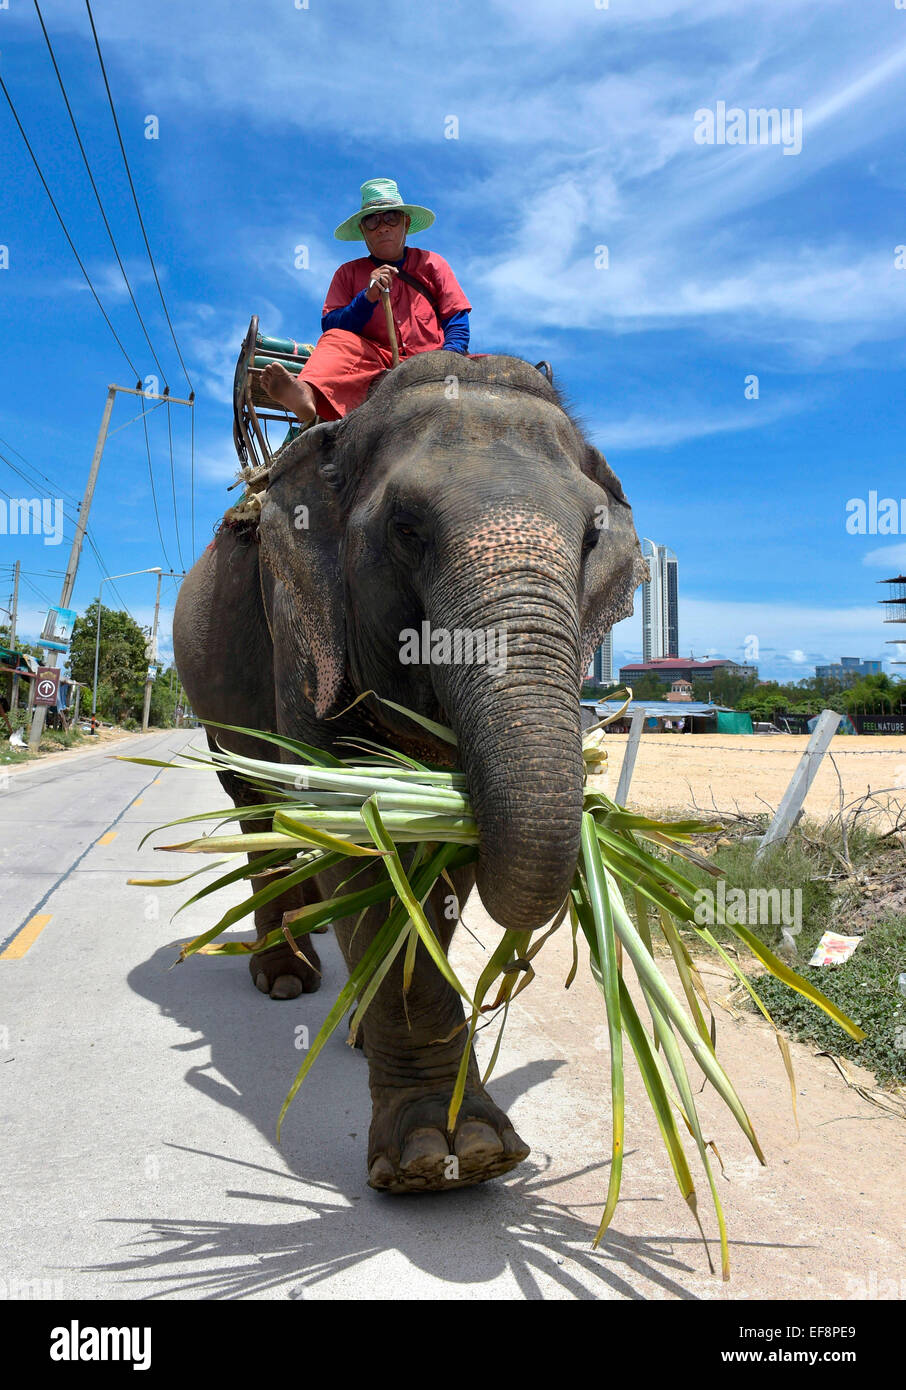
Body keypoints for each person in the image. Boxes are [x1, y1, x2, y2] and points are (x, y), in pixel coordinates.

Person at [261, 178, 471, 425]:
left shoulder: (432, 264)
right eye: (372, 221)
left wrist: (447, 359)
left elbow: (456, 320)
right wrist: (367, 297)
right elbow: (332, 327)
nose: (382, 227)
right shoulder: (347, 273)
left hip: (432, 356)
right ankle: (307, 393)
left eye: (391, 217)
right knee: (335, 341)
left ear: (406, 222)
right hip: (372, 361)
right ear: (363, 231)